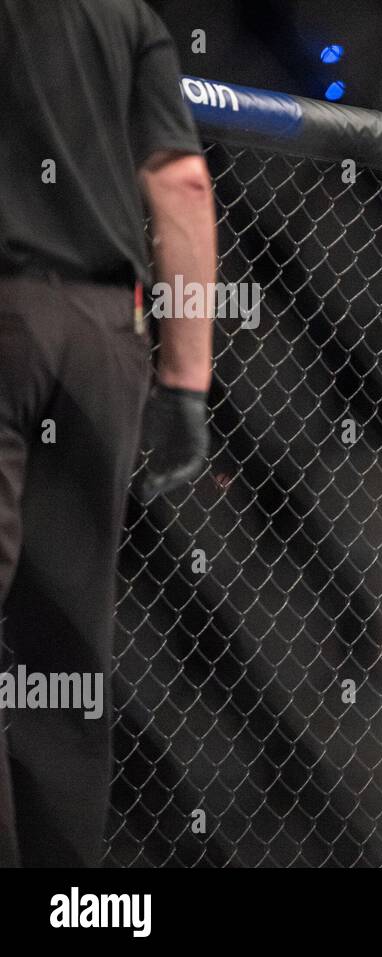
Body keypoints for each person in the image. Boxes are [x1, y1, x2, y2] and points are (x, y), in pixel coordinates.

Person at [0, 0, 214, 866]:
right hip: (103, 336)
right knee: (63, 647)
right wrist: (187, 385)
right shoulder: (123, 13)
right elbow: (183, 183)